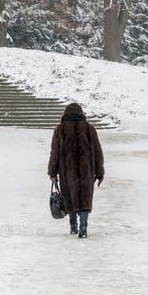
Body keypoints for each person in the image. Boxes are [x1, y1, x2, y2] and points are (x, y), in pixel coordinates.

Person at [48, 102, 104, 239]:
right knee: (84, 198)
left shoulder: (60, 129)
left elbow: (54, 153)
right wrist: (100, 171)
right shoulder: (90, 129)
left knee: (69, 196)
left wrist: (52, 171)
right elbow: (98, 151)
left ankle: (73, 225)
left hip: (67, 171)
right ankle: (83, 225)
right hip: (87, 171)